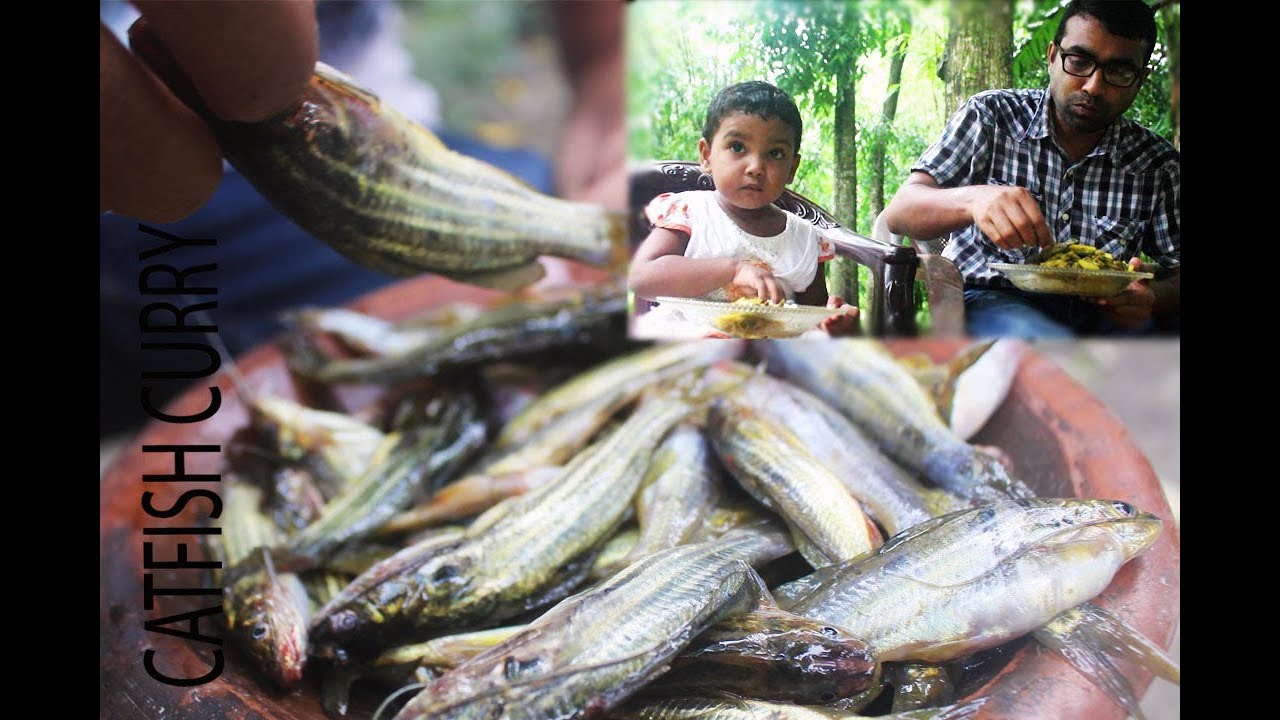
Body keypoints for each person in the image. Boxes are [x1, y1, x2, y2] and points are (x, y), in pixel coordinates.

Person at [99, 0, 624, 436]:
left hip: (337, 160)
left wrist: (615, 66)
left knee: (538, 198)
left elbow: (610, 41)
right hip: (157, 197)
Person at [881, 0, 1179, 338]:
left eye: (1120, 72)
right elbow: (901, 211)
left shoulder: (1156, 164)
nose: (1094, 86)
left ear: (1140, 79)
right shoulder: (991, 117)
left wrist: (1152, 297)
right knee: (1053, 349)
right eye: (1079, 61)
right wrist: (974, 201)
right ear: (1052, 56)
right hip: (993, 300)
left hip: (1106, 312)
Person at [628, 81, 858, 339]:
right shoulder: (692, 213)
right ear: (706, 156)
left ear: (792, 168)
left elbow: (808, 316)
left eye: (775, 153)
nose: (756, 167)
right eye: (737, 147)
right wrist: (733, 270)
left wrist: (829, 322)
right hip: (690, 343)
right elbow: (641, 277)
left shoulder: (804, 240)